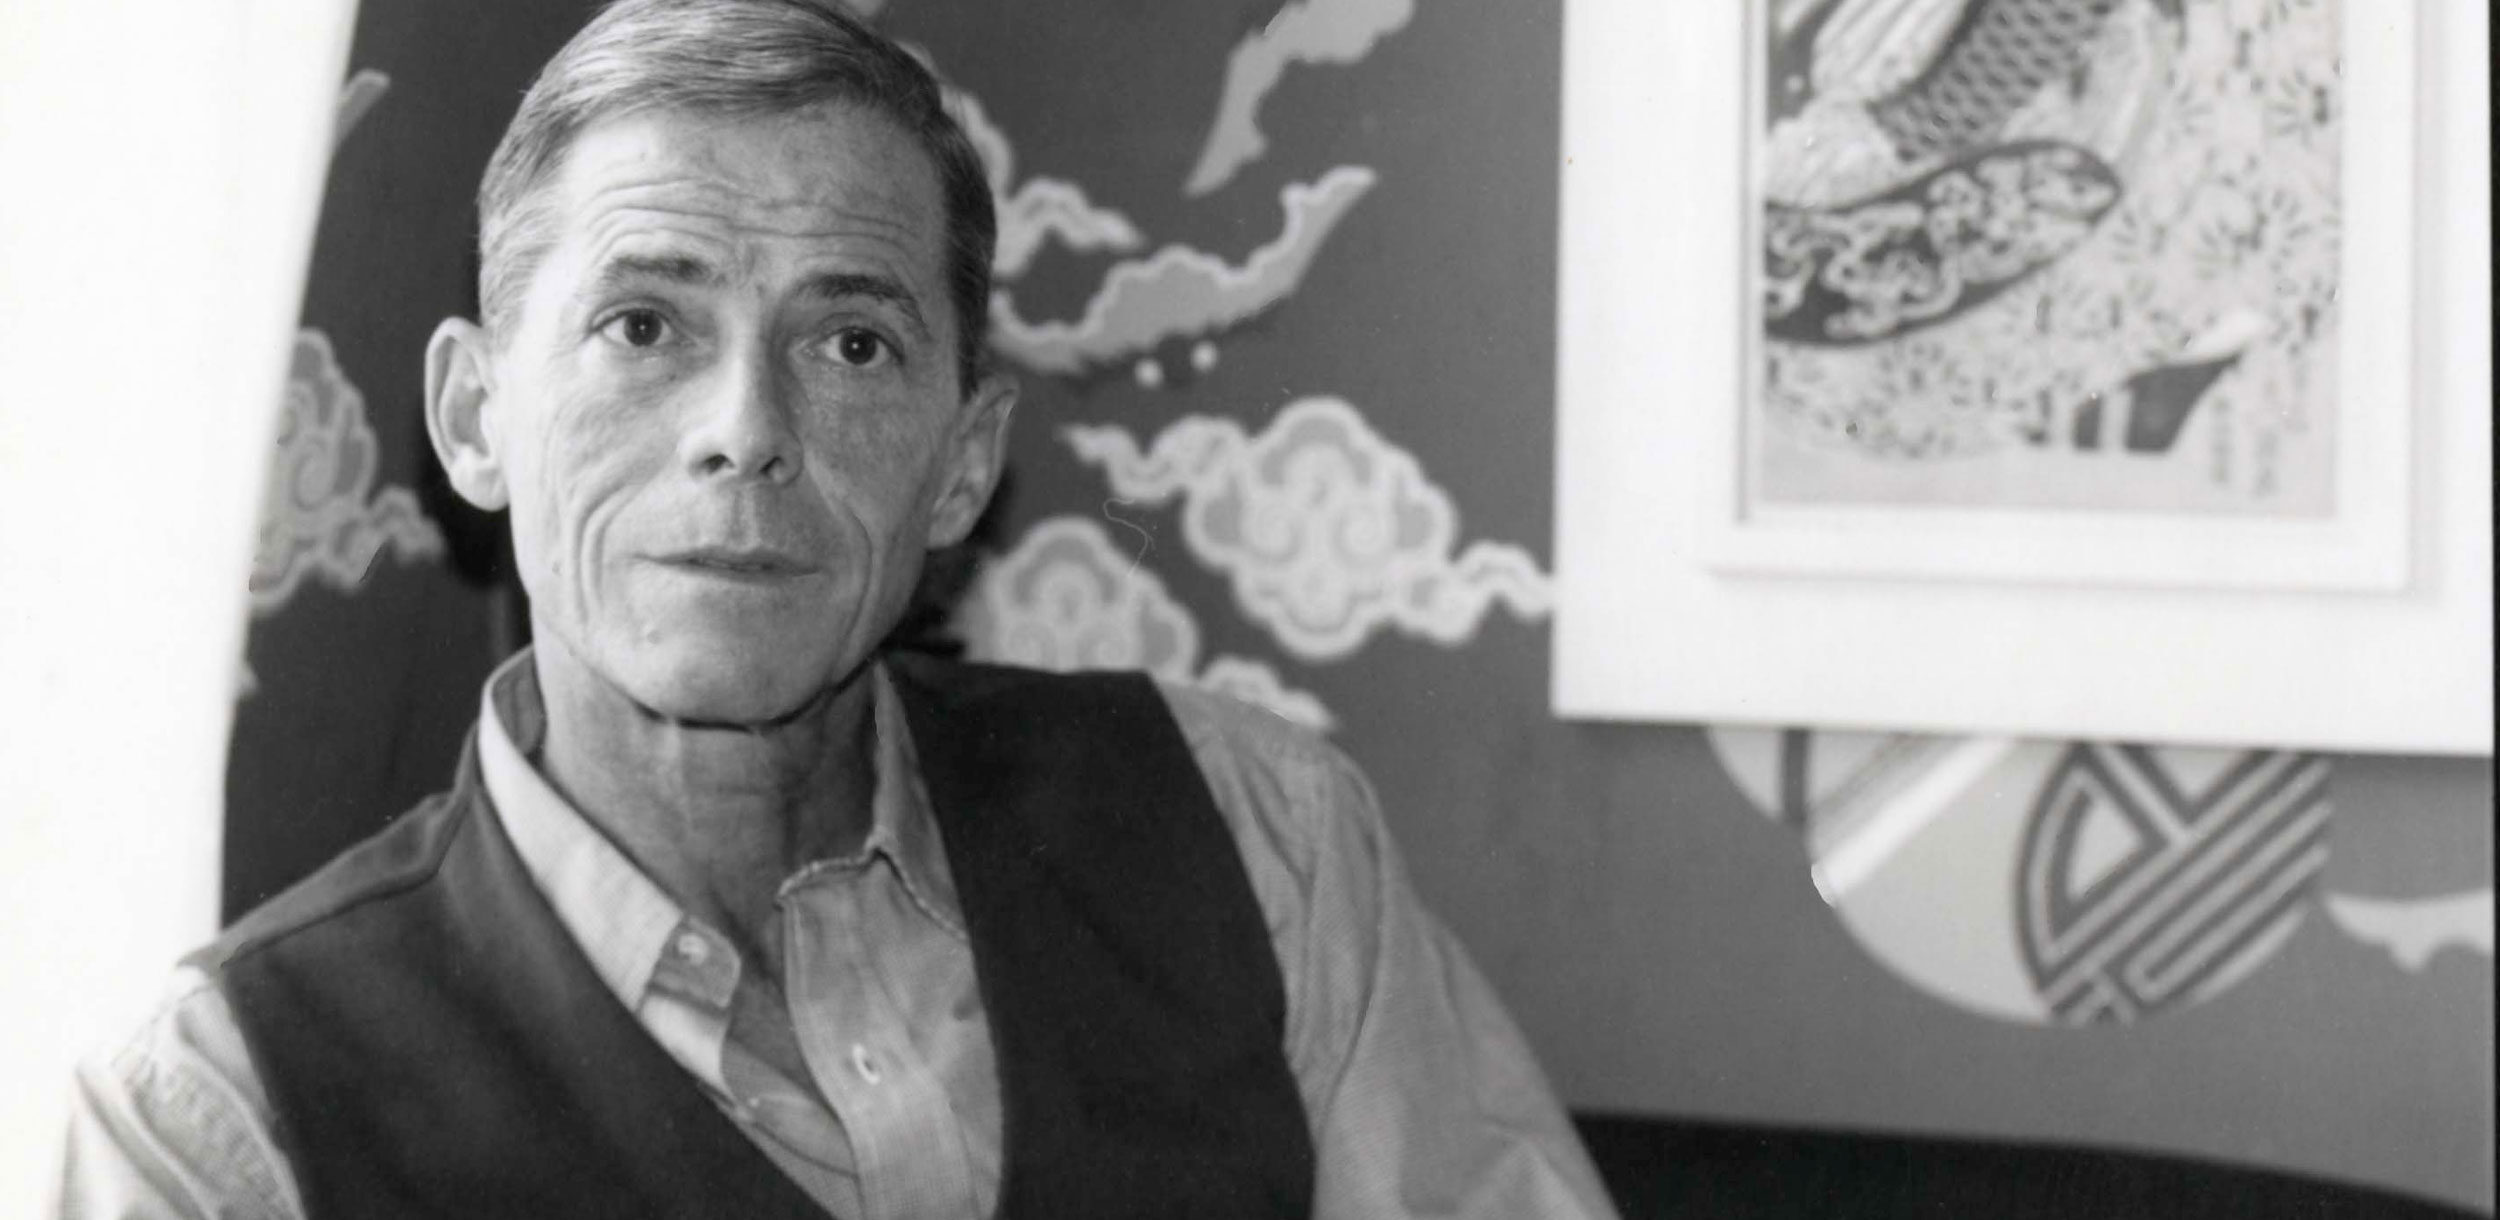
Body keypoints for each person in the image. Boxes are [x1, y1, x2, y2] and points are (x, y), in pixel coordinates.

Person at [61, 2, 1617, 1216]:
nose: (748, 425)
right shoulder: (226, 1124)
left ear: (964, 466)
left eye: (853, 344)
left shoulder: (1260, 843)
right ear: (476, 419)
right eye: (644, 324)